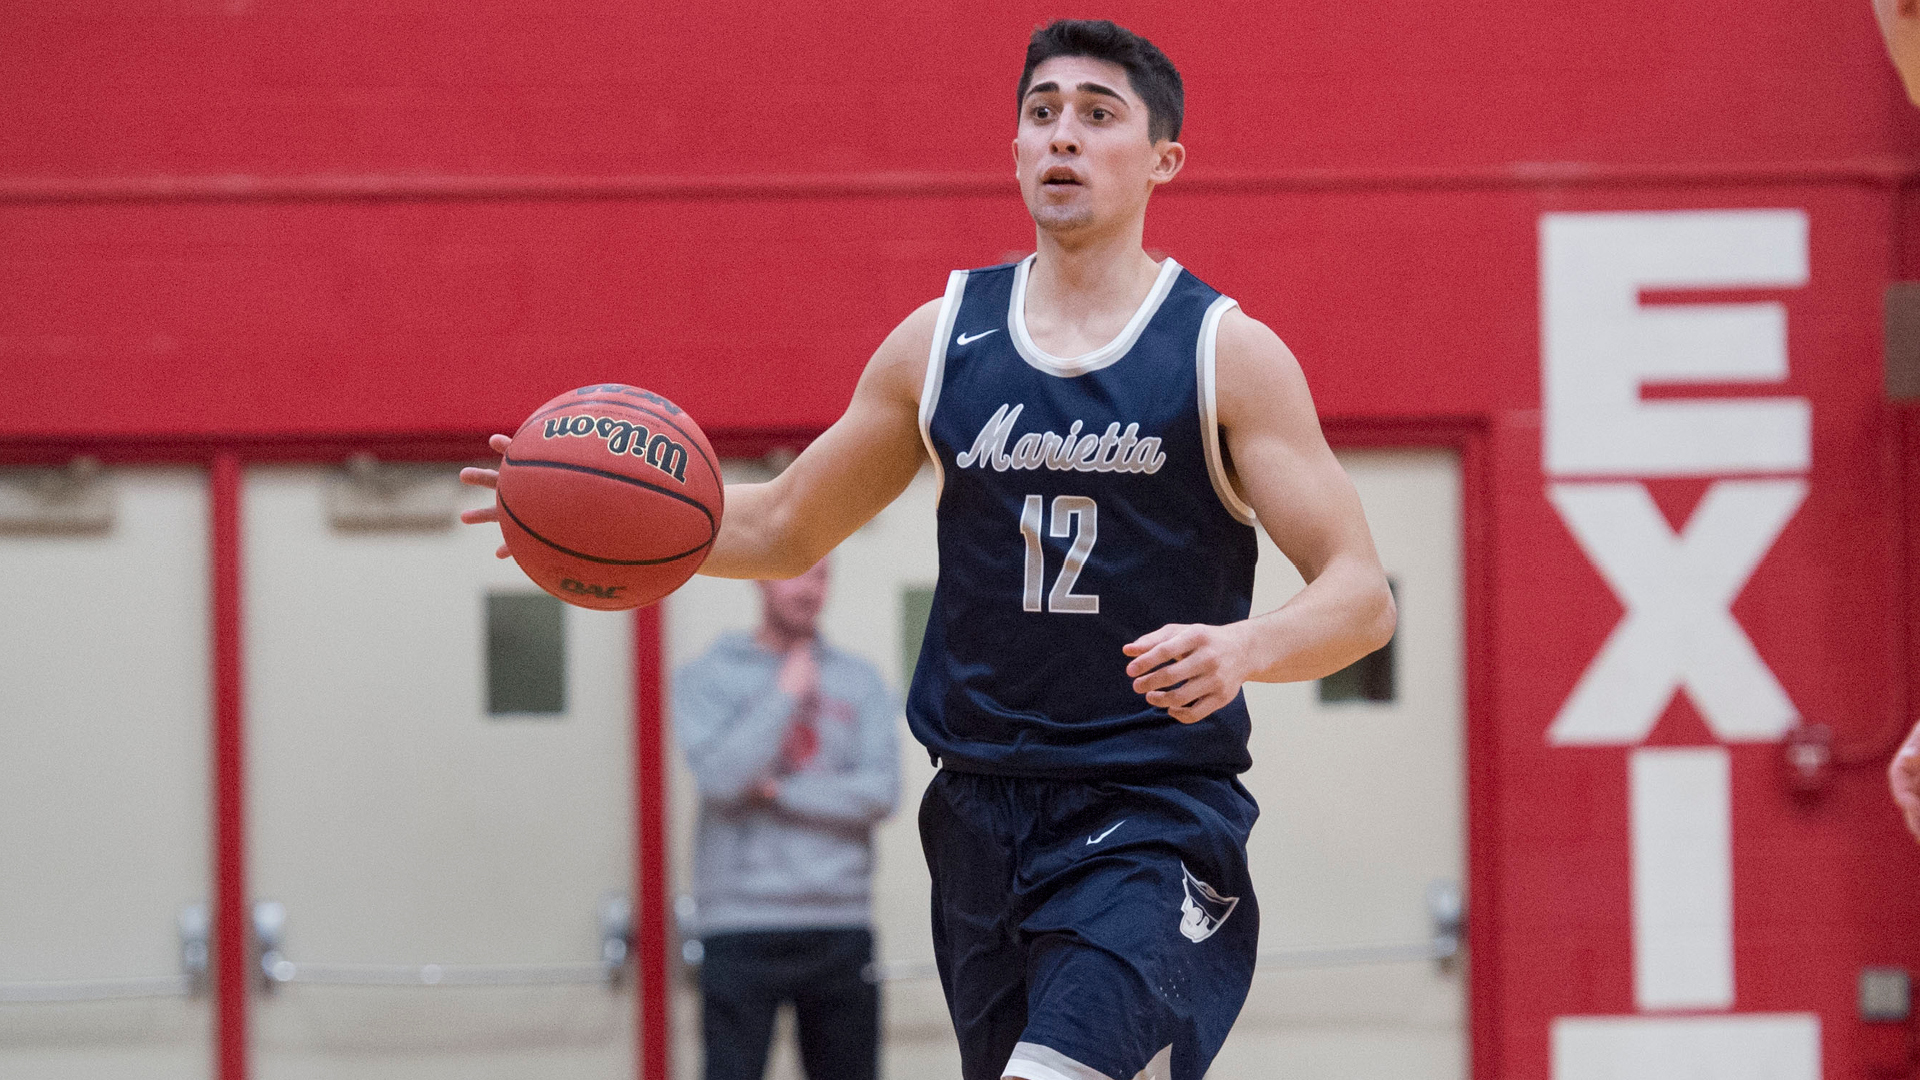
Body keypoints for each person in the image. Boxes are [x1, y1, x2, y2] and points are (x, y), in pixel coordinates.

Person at [464, 18, 1393, 1080]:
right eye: (1042, 113)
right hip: (980, 810)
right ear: (1015, 148)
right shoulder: (942, 339)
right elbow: (783, 527)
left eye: (1099, 115)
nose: (1063, 136)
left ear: (1163, 160)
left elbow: (1362, 594)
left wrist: (1247, 647)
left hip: (1152, 809)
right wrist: (597, 527)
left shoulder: (1225, 353)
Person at [671, 558, 899, 1080]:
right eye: (796, 571)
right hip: (739, 924)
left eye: (821, 574)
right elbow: (722, 781)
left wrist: (777, 790)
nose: (809, 588)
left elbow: (879, 794)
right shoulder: (708, 675)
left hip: (840, 920)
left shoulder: (859, 679)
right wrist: (786, 694)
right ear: (760, 575)